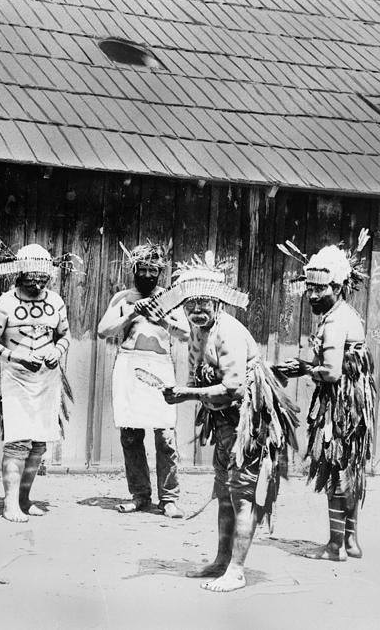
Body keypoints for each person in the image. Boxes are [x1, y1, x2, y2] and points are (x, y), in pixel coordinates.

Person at [156, 252, 299, 592]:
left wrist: (187, 394)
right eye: (190, 304)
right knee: (224, 493)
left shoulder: (229, 332)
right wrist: (189, 392)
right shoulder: (197, 331)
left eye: (203, 303)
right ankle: (221, 560)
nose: (196, 311)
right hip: (223, 423)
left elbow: (233, 387)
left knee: (243, 496)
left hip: (248, 421)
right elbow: (200, 379)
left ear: (218, 301)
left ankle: (236, 569)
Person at [277, 233, 376, 561]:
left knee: (336, 469)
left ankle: (334, 547)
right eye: (310, 287)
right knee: (350, 469)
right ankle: (351, 541)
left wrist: (304, 368)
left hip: (339, 408)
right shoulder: (349, 314)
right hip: (355, 406)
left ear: (337, 287)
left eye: (320, 289)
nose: (312, 294)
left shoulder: (334, 322)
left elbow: (332, 372)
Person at [0, 242, 72, 523]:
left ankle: (24, 498)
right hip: (16, 379)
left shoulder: (55, 301)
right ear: (20, 273)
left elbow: (65, 336)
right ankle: (10, 504)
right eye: (32, 277)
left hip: (47, 379)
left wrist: (57, 351)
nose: (38, 282)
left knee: (39, 444)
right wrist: (15, 357)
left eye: (43, 277)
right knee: (18, 443)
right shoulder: (6, 302)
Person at [97, 242, 189, 519]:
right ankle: (140, 495)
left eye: (153, 271)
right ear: (134, 269)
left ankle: (169, 498)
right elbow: (103, 331)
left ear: (160, 272)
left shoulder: (170, 297)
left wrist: (162, 320)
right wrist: (133, 312)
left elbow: (184, 334)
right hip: (129, 365)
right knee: (131, 435)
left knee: (165, 435)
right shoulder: (123, 298)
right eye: (143, 270)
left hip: (160, 365)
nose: (148, 276)